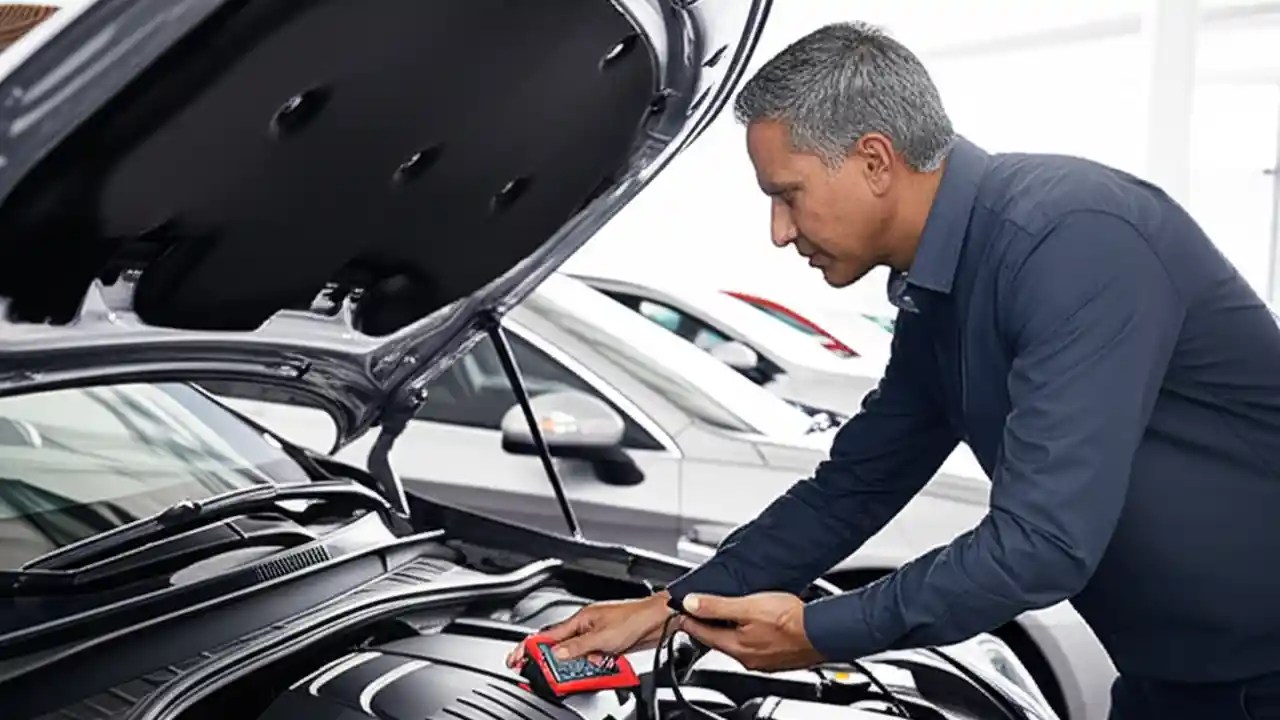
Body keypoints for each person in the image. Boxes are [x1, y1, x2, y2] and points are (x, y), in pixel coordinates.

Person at [506, 21, 1280, 720]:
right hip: (1170, 680)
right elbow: (854, 486)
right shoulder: (942, 287)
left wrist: (818, 632)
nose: (779, 231)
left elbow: (1043, 541)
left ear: (875, 160)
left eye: (788, 195)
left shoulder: (1070, 240)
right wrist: (668, 608)